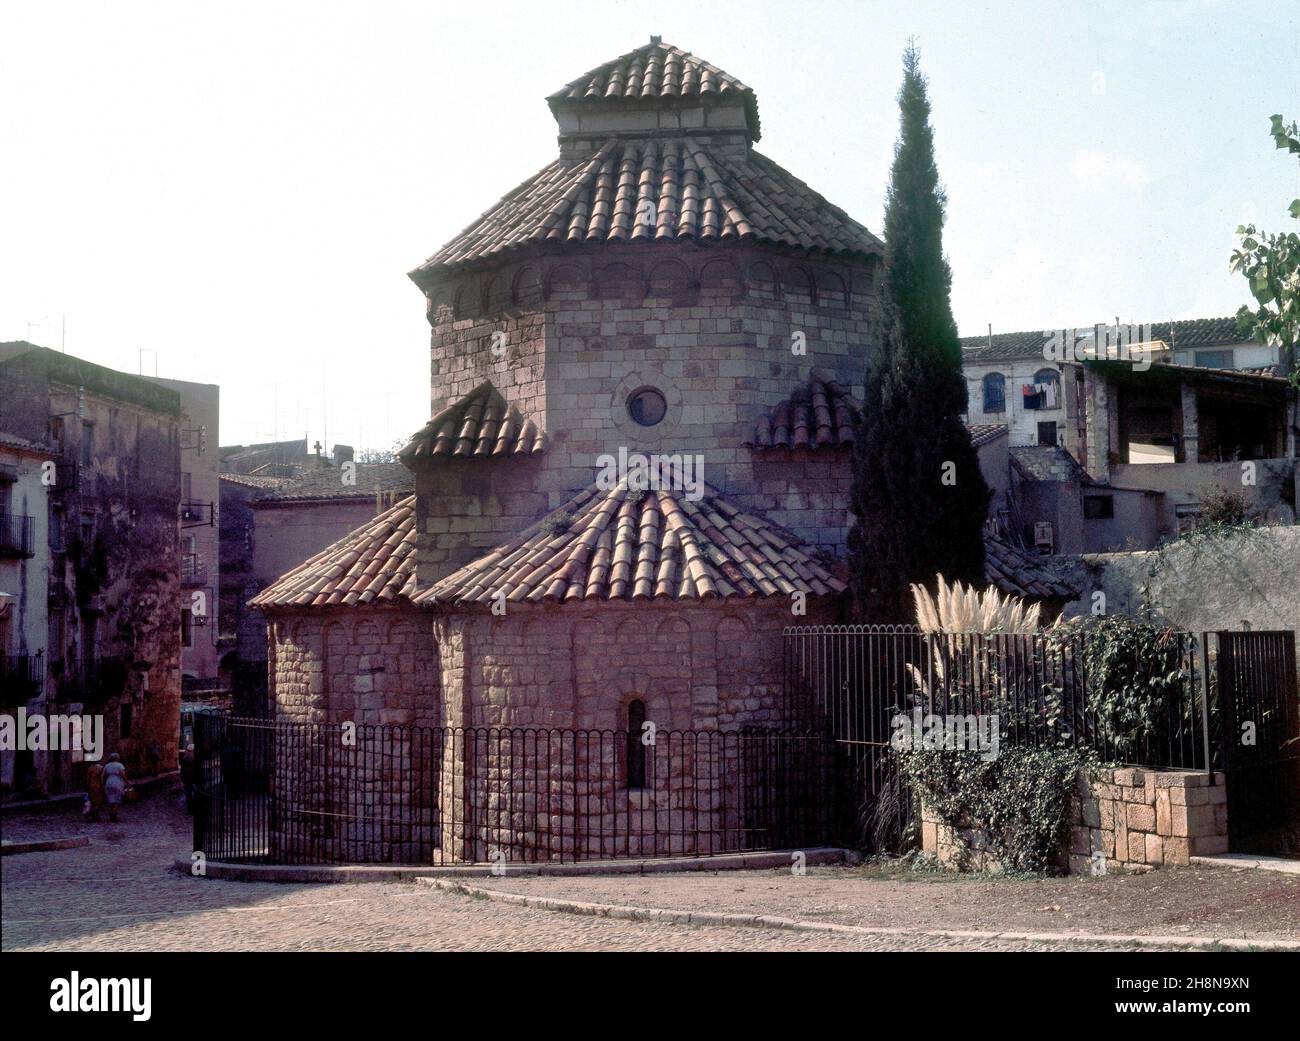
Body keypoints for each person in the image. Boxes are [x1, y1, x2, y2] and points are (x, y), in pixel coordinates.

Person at [102, 753, 128, 823]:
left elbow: (103, 776)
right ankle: (113, 813)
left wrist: (103, 784)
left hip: (109, 782)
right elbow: (122, 774)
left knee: (111, 799)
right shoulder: (119, 765)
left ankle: (112, 812)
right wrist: (127, 782)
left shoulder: (107, 766)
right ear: (117, 758)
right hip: (117, 782)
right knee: (118, 799)